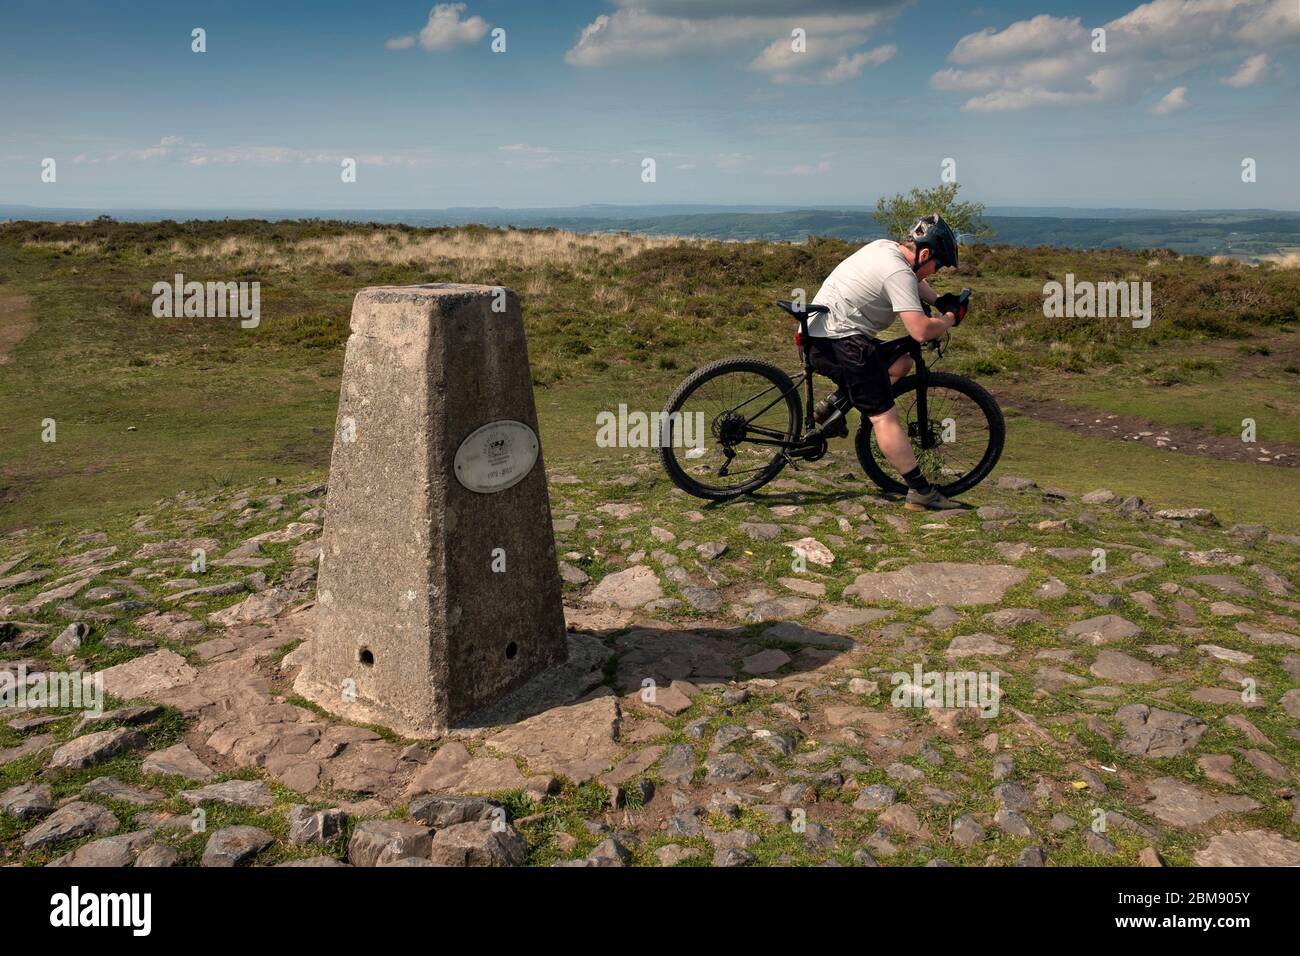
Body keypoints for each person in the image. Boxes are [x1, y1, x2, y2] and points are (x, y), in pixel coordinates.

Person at [805, 213, 968, 511]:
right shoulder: (899, 273)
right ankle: (920, 492)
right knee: (883, 417)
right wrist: (947, 319)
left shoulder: (885, 248)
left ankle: (833, 405)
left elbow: (913, 282)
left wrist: (940, 300)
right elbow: (919, 330)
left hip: (821, 335)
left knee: (900, 362)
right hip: (843, 343)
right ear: (925, 253)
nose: (938, 270)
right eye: (939, 264)